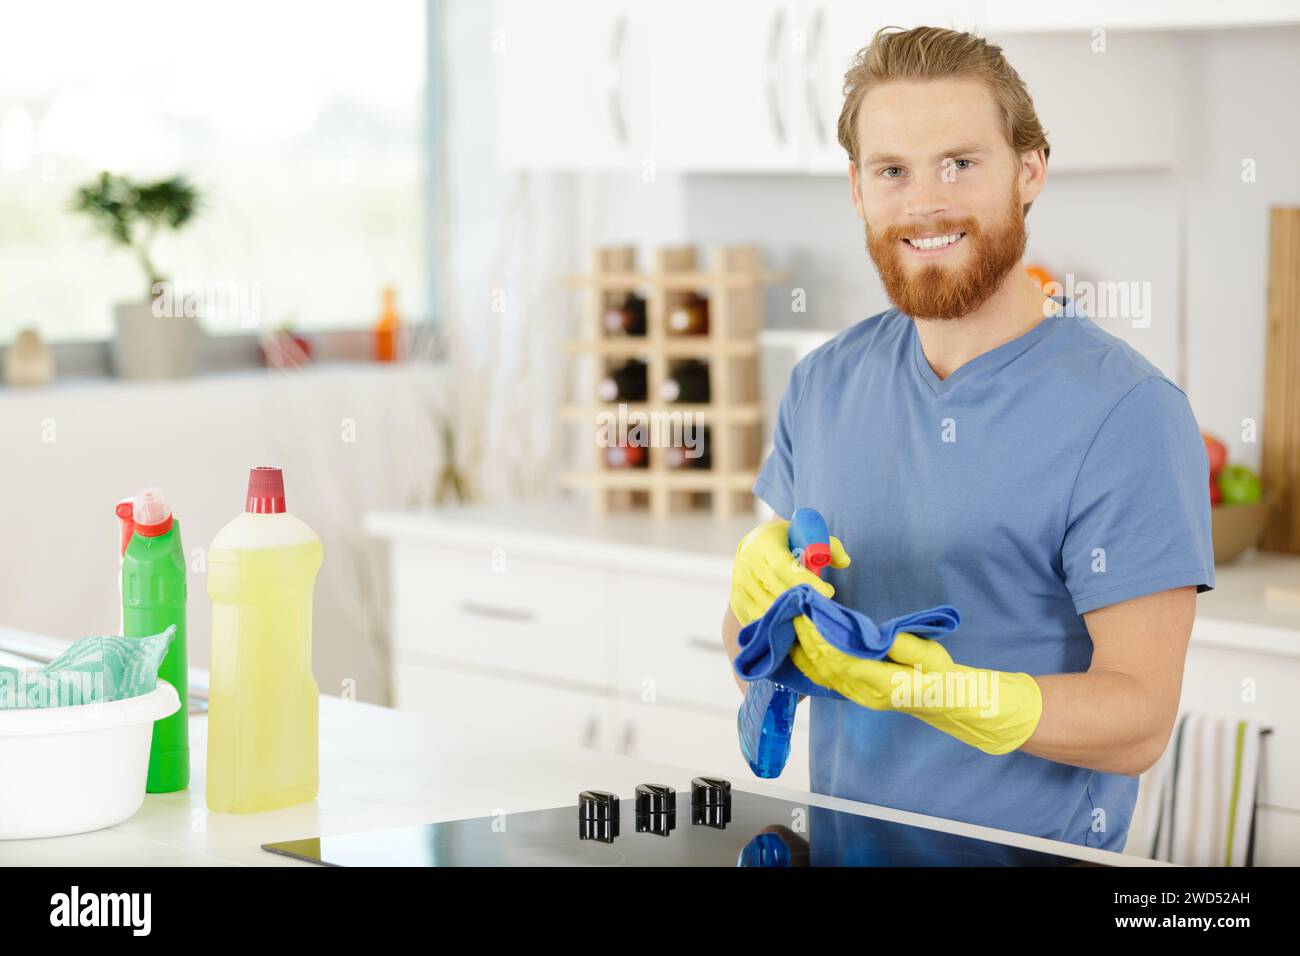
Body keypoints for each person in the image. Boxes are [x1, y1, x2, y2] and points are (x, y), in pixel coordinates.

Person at [722, 25, 1214, 852]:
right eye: (893, 171)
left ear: (1030, 169)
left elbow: (1139, 720)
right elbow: (751, 652)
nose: (925, 202)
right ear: (857, 189)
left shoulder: (1127, 413)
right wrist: (757, 612)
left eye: (960, 163)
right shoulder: (824, 383)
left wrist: (964, 698)